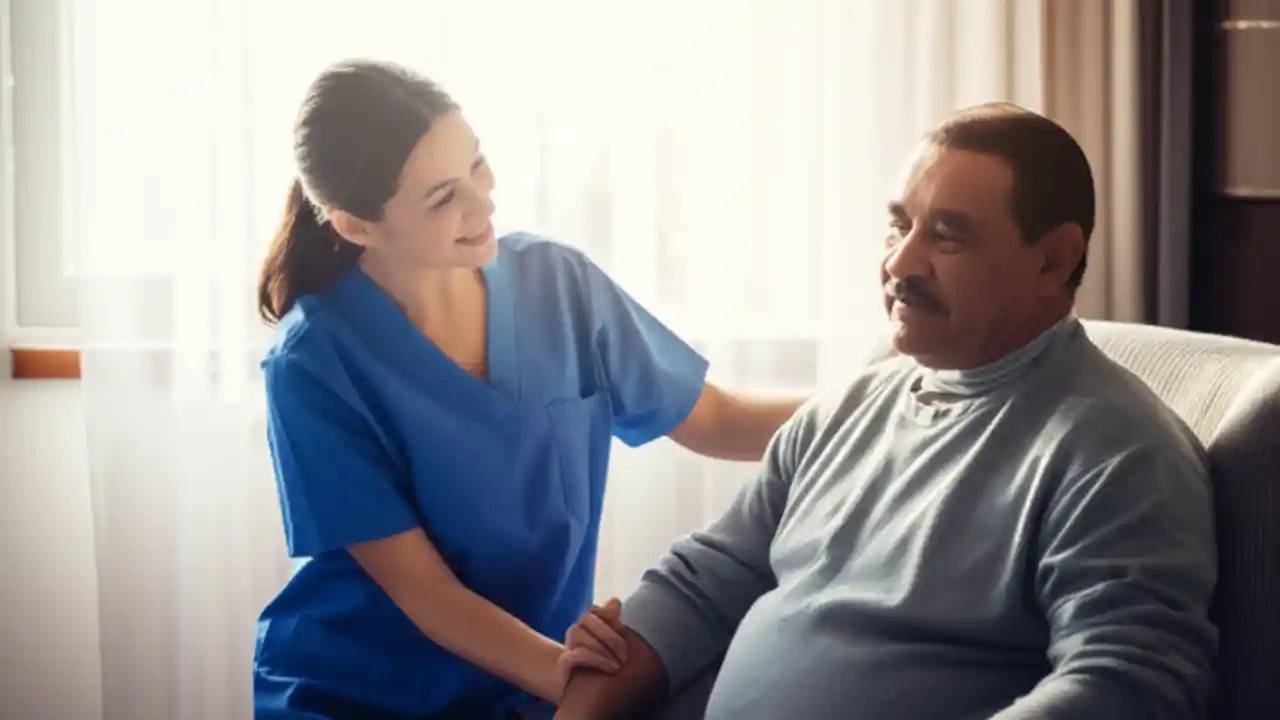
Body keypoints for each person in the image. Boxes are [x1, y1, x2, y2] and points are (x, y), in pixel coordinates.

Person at [557, 104, 1218, 720]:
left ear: (1052, 260)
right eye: (900, 226)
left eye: (948, 237)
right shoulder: (840, 413)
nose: (900, 263)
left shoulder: (1119, 452)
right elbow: (704, 584)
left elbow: (1127, 682)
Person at [252, 60, 803, 719]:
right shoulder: (312, 364)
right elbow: (427, 595)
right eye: (443, 198)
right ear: (356, 226)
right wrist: (574, 680)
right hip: (360, 694)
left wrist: (878, 402)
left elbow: (713, 417)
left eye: (478, 165)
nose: (483, 204)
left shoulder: (557, 282)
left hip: (532, 681)